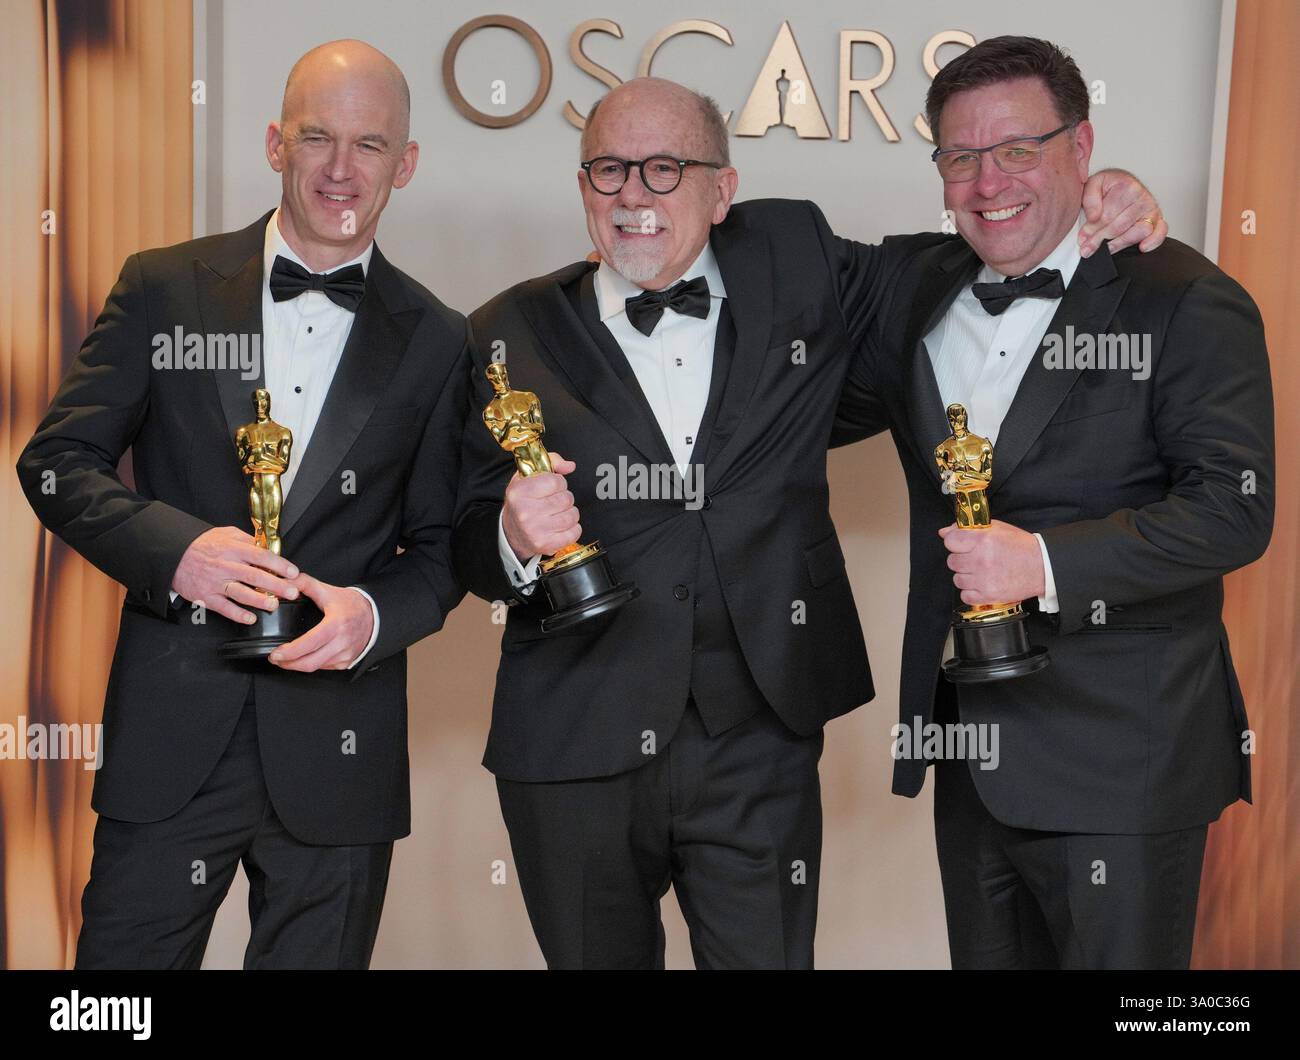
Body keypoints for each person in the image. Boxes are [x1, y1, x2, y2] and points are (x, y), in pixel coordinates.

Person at [451, 75, 1163, 969]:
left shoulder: (794, 257)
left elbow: (967, 254)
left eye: (665, 169)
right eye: (608, 170)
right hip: (570, 741)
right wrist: (513, 537)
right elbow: (460, 538)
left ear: (724, 189)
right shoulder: (501, 331)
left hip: (759, 732)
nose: (633, 194)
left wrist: (1100, 196)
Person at [16, 39, 468, 969]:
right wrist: (174, 550)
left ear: (406, 164)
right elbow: (58, 461)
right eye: (317, 139)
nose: (342, 170)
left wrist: (373, 617)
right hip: (171, 734)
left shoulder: (441, 340)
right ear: (274, 145)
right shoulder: (162, 286)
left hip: (341, 749)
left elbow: (441, 550)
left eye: (371, 145)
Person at [835, 36, 1274, 968]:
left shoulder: (1186, 299)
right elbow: (766, 287)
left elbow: (1235, 509)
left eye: (1017, 151)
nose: (988, 182)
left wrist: (1040, 563)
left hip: (1126, 763)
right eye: (961, 157)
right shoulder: (914, 286)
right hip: (973, 756)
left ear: (1082, 150)